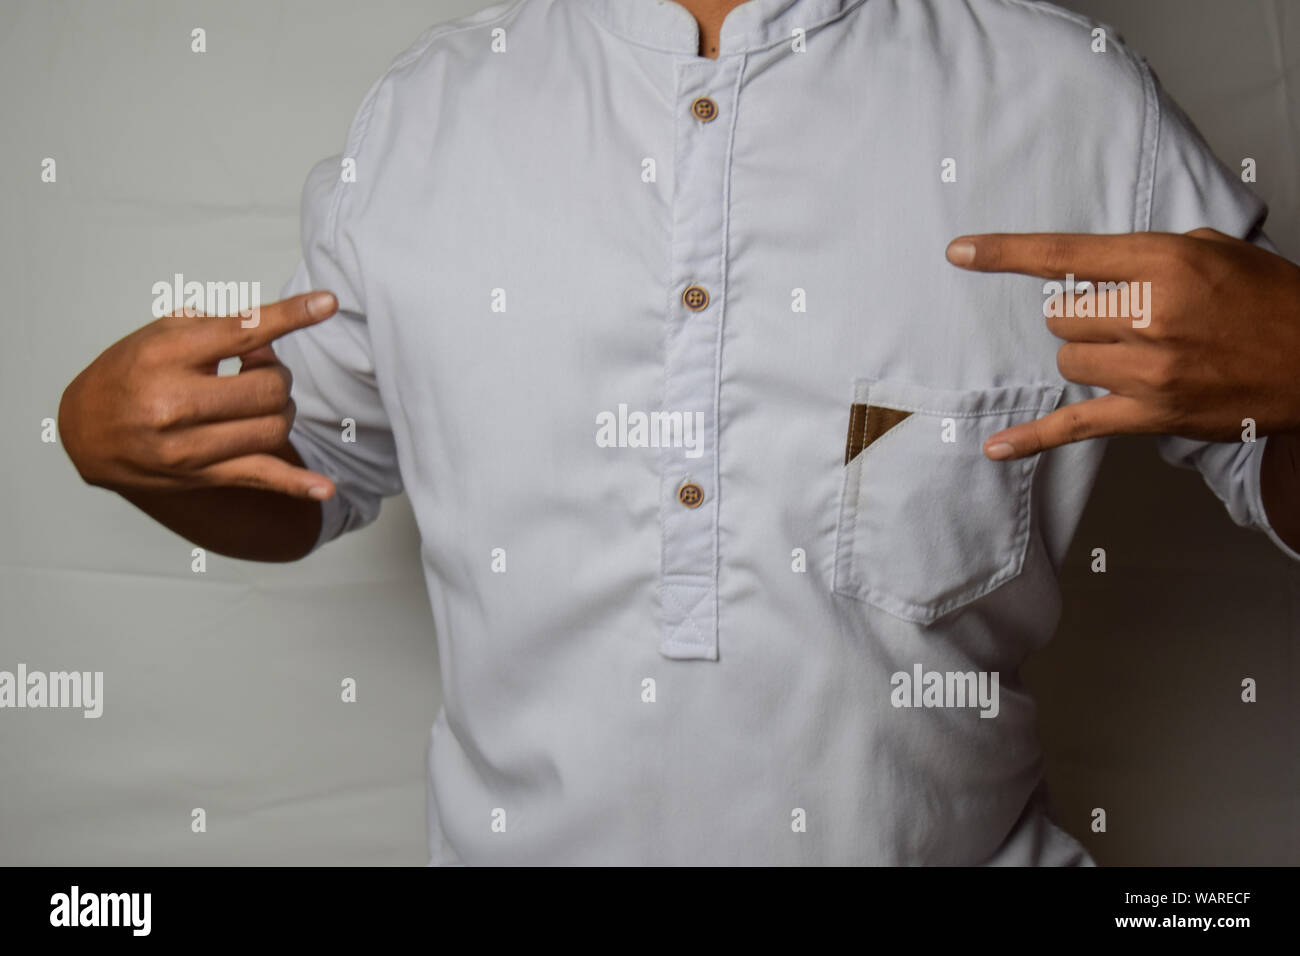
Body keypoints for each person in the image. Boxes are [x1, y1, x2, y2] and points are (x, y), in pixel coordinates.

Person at [56, 0, 1300, 865]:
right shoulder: (428, 114)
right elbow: (305, 483)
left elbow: (1256, 460)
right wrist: (126, 455)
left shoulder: (1073, 99)